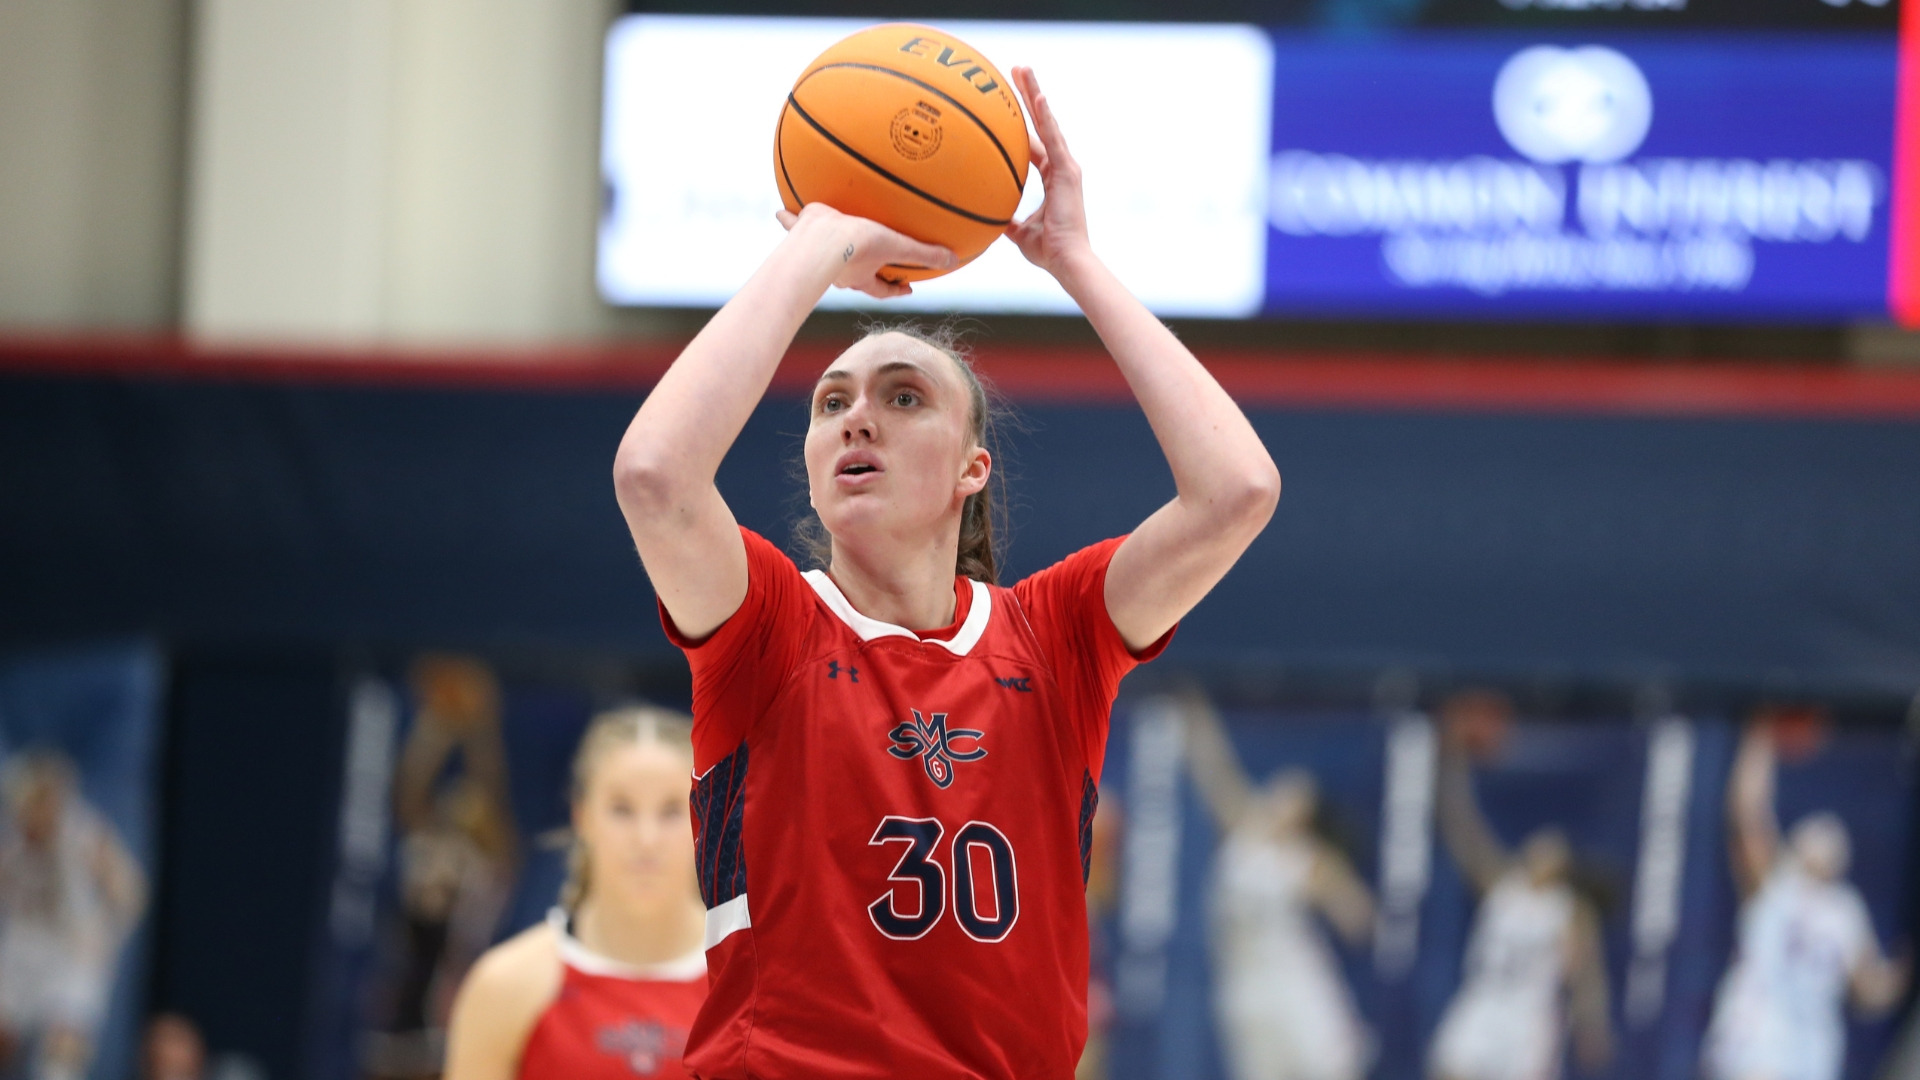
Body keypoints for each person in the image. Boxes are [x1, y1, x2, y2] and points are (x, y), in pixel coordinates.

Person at [611, 65, 1280, 1079]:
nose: (857, 417)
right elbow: (656, 476)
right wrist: (814, 246)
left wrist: (1077, 262)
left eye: (903, 396)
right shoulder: (770, 629)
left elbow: (1238, 490)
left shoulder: (1053, 641)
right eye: (830, 402)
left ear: (975, 468)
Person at [444, 706, 707, 1080]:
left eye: (672, 810)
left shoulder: (757, 994)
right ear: (581, 816)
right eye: (621, 809)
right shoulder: (507, 986)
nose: (647, 840)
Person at [1700, 708, 1907, 1080]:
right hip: (1758, 1037)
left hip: (1811, 1049)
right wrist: (1758, 739)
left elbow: (1867, 989)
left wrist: (1893, 981)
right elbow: (1747, 812)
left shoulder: (1846, 909)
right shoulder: (1778, 886)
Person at [1177, 695, 1375, 1080]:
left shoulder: (1306, 859)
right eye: (1282, 786)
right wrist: (1194, 713)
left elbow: (1360, 918)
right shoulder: (1243, 830)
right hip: (1243, 991)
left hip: (1296, 984)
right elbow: (1215, 769)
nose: (1282, 793)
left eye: (1295, 793)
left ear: (1304, 815)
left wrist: (1335, 879)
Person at [1427, 691, 1613, 1080]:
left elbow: (1586, 971)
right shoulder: (1502, 882)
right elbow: (1461, 827)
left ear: (1563, 865)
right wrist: (1452, 761)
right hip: (1484, 1001)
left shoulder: (1569, 909)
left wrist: (1591, 1023)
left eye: (1553, 846)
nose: (1541, 845)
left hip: (1530, 1020)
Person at [369, 655, 519, 1079]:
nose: (459, 805)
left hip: (456, 1005)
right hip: (405, 1011)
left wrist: (480, 729)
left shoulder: (489, 866)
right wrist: (434, 727)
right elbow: (410, 792)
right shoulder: (427, 845)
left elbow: (490, 787)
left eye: (468, 806)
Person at [0, 749, 147, 1080]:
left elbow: (131, 892)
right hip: (23, 947)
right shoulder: (12, 841)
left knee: (64, 1045)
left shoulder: (85, 837)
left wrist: (107, 938)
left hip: (72, 950)